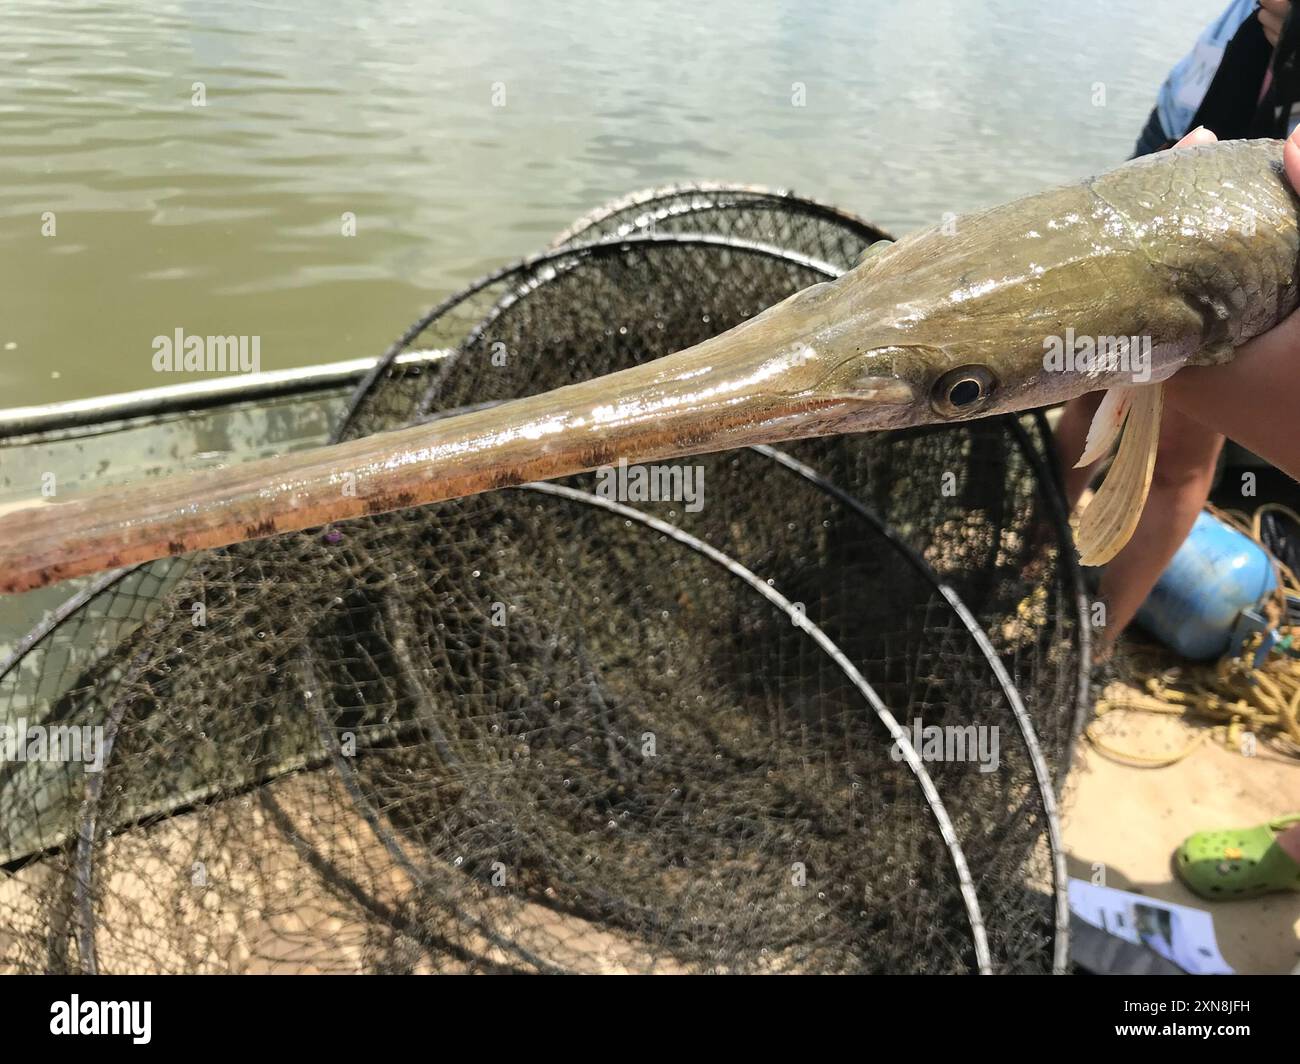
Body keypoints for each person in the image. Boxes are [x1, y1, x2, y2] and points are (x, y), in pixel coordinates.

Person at [1056, 0, 1296, 661]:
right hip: (1181, 135)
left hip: (1265, 202)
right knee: (1084, 379)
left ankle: (1091, 647)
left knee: (1179, 462)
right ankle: (1035, 553)